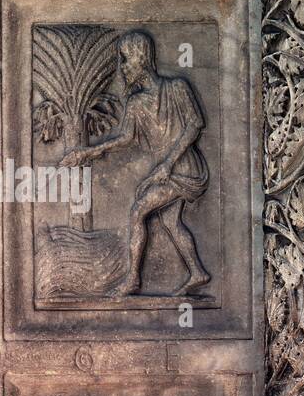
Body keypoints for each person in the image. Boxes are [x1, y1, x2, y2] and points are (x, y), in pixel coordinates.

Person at [60, 30, 210, 295]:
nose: (123, 68)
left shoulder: (177, 88)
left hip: (185, 170)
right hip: (168, 172)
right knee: (171, 223)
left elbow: (195, 124)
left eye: (126, 60)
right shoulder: (136, 103)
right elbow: (124, 139)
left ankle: (133, 280)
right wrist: (86, 153)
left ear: (141, 59)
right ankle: (197, 272)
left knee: (138, 211)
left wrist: (168, 163)